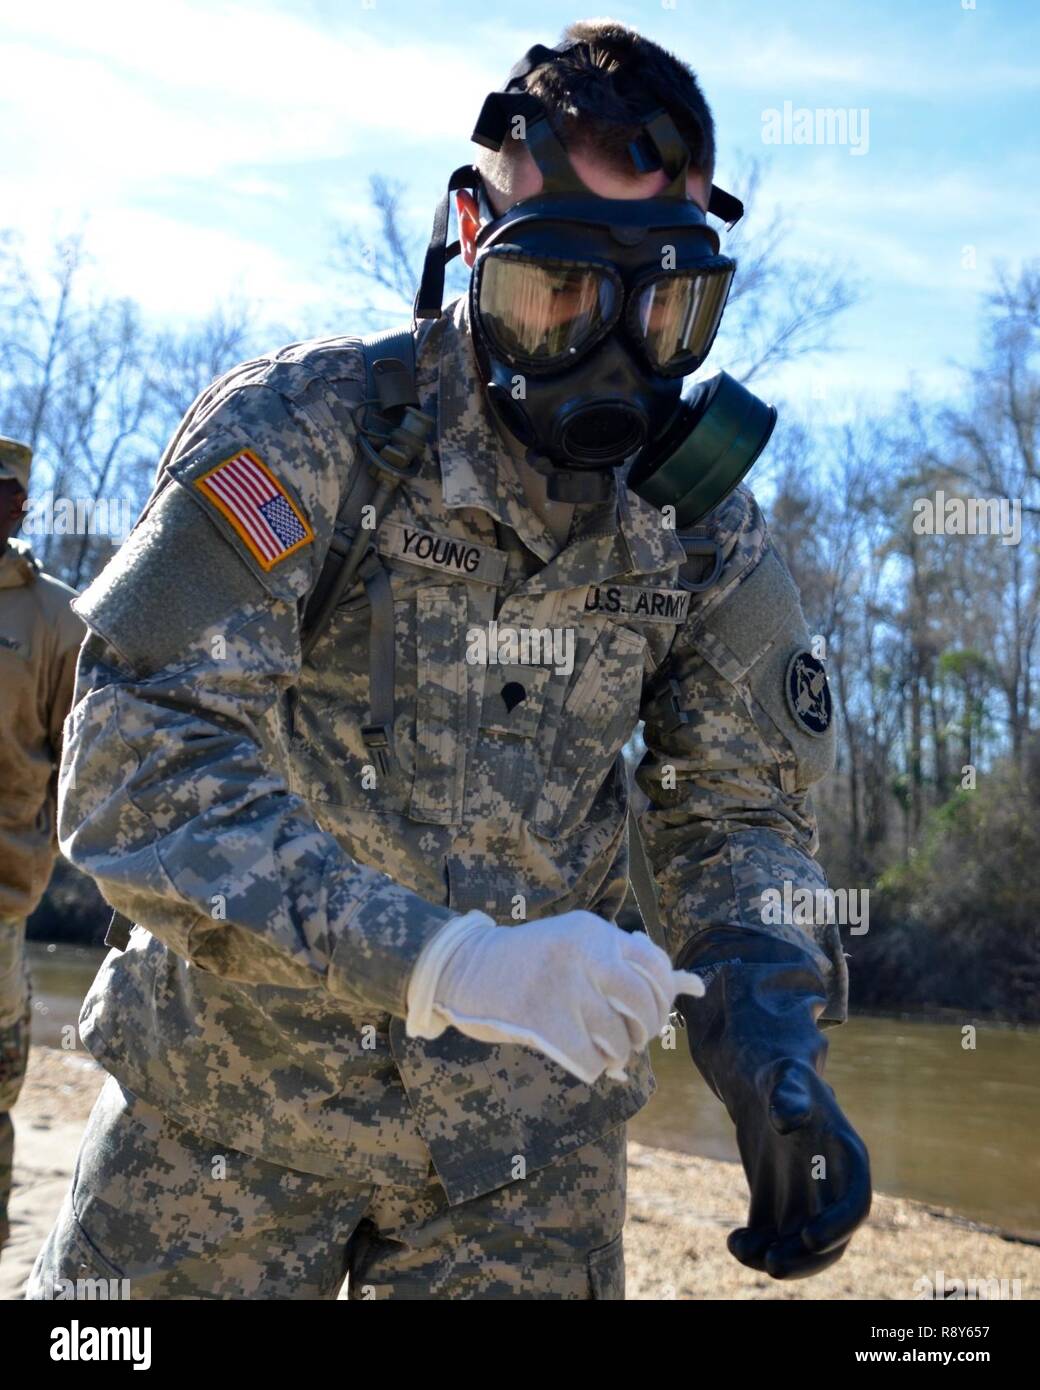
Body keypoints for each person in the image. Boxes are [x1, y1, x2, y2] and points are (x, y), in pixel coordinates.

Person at [29, 20, 869, 1300]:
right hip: (228, 1125)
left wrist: (767, 1042)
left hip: (523, 1165)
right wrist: (440, 961)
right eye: (559, 295)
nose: (613, 355)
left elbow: (739, 813)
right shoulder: (310, 434)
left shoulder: (700, 527)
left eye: (666, 306)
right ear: (476, 239)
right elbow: (138, 767)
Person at [0, 436, 84, 1251]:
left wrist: (42, 854)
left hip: (3, 889)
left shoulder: (57, 616)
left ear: (19, 505)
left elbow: (74, 754)